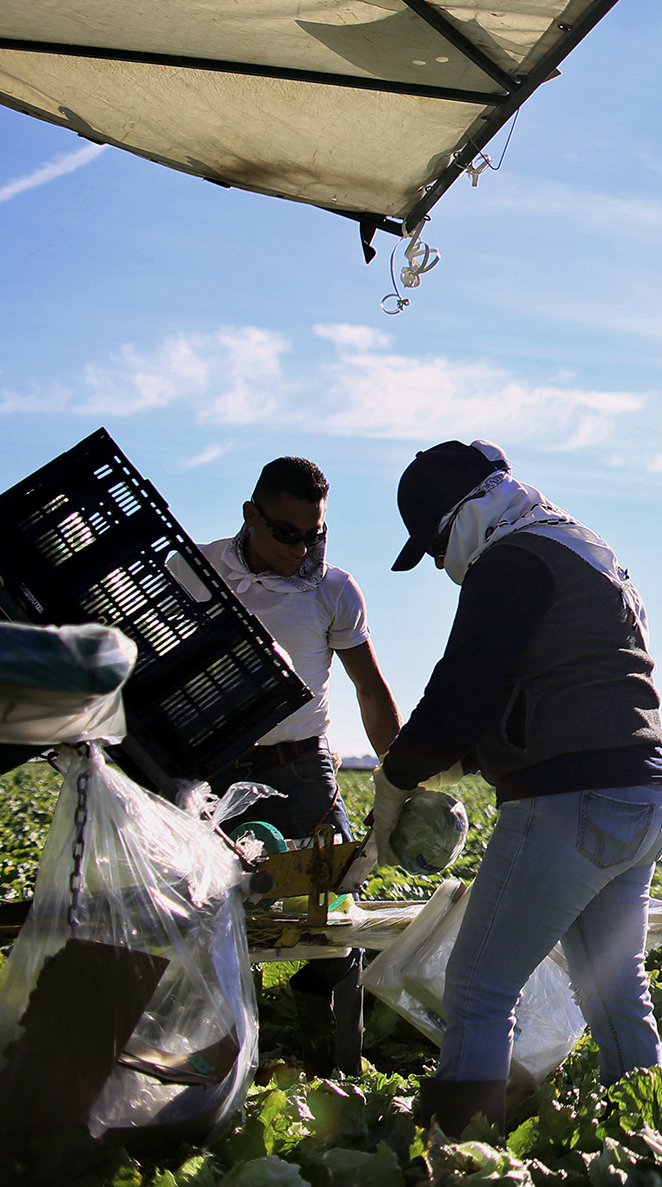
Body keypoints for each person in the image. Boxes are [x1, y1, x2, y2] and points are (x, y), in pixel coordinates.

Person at [371, 440, 662, 1138]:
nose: (441, 563)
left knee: (478, 987)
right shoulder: (581, 547)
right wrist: (451, 763)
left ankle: (461, 1157)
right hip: (643, 794)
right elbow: (539, 690)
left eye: (435, 545)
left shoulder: (510, 560)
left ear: (460, 517)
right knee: (614, 989)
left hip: (571, 801)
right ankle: (649, 1144)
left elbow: (457, 699)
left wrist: (394, 779)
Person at [180, 456, 400, 1073]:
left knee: (339, 897)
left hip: (302, 766)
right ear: (250, 516)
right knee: (207, 905)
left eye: (314, 534)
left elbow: (369, 689)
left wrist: (400, 775)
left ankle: (330, 1053)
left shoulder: (334, 589)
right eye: (286, 533)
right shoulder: (195, 569)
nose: (301, 549)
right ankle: (217, 1054)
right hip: (216, 769)